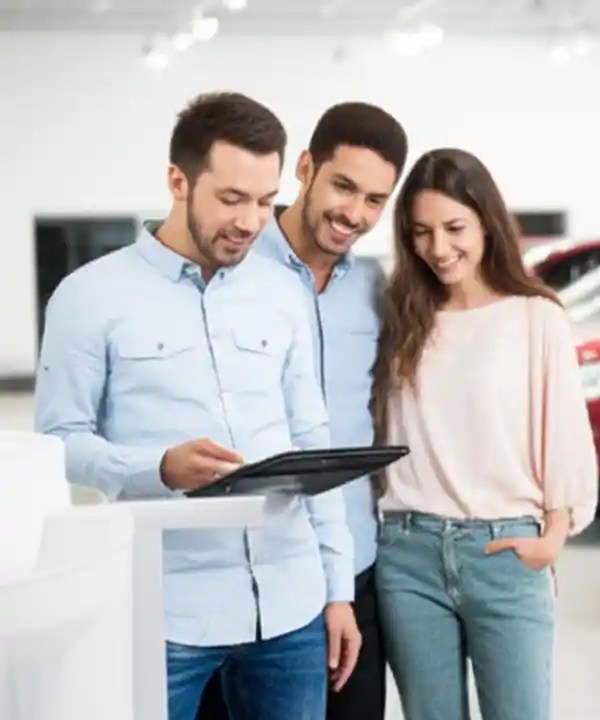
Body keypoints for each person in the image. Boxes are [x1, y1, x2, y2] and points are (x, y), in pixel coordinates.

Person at [33, 91, 358, 720]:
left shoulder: (281, 292)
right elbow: (59, 443)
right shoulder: (89, 296)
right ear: (177, 181)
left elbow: (313, 436)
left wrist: (337, 591)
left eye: (266, 202)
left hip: (290, 604)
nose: (250, 222)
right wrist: (157, 469)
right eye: (232, 199)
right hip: (164, 609)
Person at [196, 101, 408, 720]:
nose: (355, 213)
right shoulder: (226, 269)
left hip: (353, 566)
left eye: (375, 200)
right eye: (344, 186)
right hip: (246, 569)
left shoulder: (375, 291)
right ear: (306, 168)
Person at [371, 147, 598, 720]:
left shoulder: (534, 316)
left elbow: (566, 431)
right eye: (421, 232)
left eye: (454, 228)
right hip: (408, 553)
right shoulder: (399, 316)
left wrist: (554, 534)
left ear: (487, 224)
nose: (438, 248)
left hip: (504, 550)